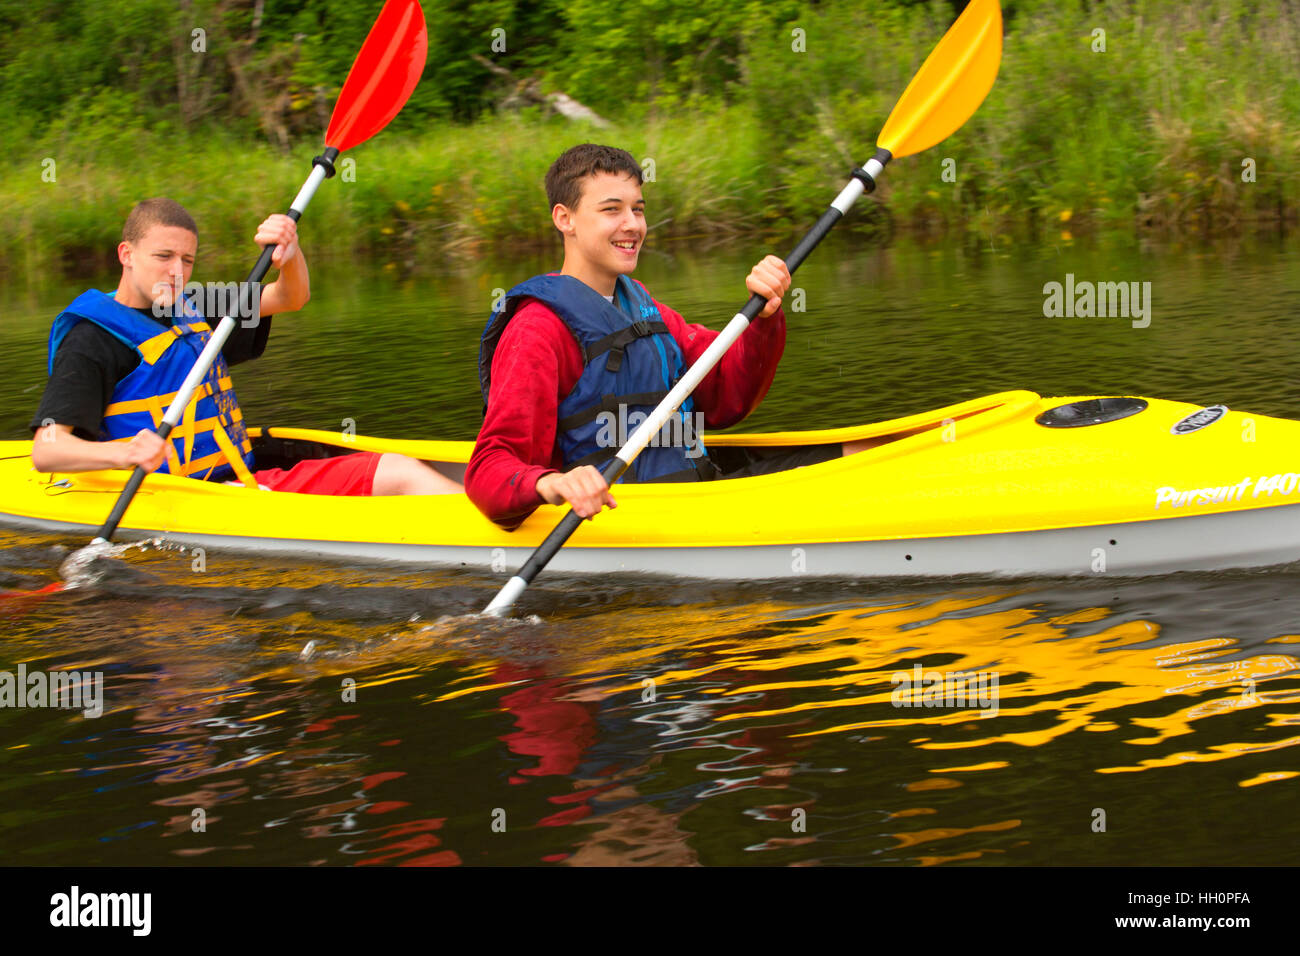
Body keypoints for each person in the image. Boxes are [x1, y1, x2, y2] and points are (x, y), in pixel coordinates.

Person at [468, 144, 870, 529]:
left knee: (861, 454)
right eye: (612, 210)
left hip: (693, 491)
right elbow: (489, 468)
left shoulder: (642, 306)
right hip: (616, 517)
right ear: (564, 218)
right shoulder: (537, 330)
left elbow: (725, 397)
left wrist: (764, 317)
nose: (632, 225)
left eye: (637, 210)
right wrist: (551, 483)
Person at [30, 198, 461, 495]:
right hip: (184, 494)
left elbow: (290, 297)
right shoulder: (93, 339)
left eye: (187, 260)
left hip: (237, 478)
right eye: (163, 256)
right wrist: (124, 452)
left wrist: (289, 255)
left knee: (403, 466)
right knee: (399, 472)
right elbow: (47, 450)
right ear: (126, 253)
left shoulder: (197, 305)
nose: (177, 271)